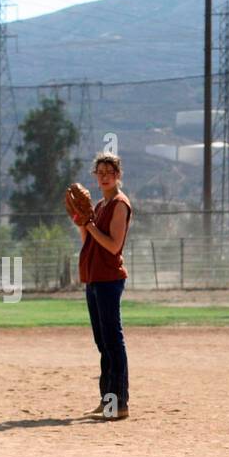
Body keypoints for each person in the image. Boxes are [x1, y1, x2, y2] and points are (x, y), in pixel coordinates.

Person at [73, 152, 133, 421]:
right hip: (94, 277)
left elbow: (112, 245)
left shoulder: (119, 204)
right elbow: (89, 240)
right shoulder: (98, 205)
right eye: (100, 172)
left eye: (110, 171)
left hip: (109, 278)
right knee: (102, 342)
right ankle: (107, 400)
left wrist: (91, 225)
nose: (105, 176)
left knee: (112, 341)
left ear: (118, 175)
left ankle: (119, 403)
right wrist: (81, 222)